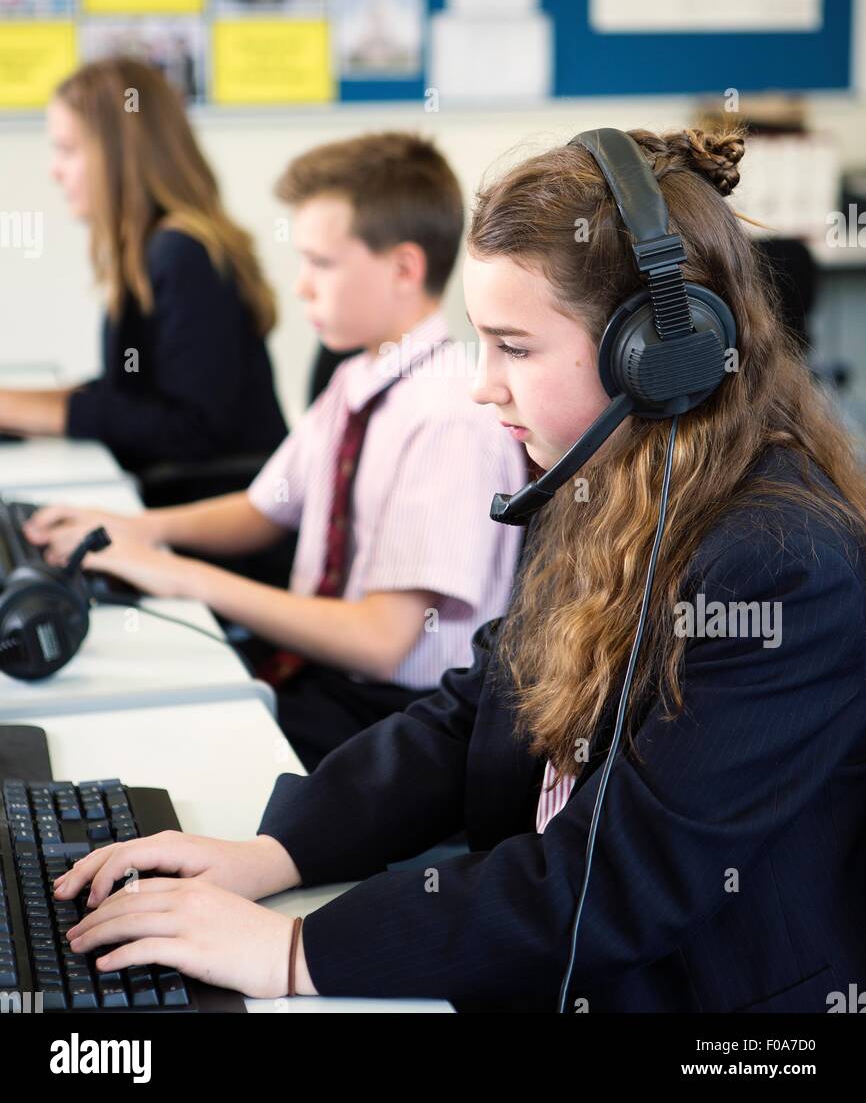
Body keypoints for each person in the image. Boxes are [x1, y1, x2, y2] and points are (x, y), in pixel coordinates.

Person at [50, 127, 866, 1012]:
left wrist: (295, 952)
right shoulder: (607, 481)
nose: (483, 385)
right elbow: (474, 712)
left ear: (659, 358)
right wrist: (273, 854)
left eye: (514, 347)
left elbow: (616, 882)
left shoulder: (783, 569)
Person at [30, 131, 527, 770]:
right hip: (323, 681)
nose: (301, 288)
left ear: (403, 268)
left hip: (397, 717)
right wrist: (133, 530)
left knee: (164, 759)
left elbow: (380, 642)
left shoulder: (449, 417)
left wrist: (180, 576)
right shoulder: (361, 378)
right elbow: (267, 509)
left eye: (322, 263)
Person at [0, 57, 287, 473]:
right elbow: (135, 391)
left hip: (206, 509)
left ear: (120, 153)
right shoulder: (155, 247)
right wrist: (20, 407)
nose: (54, 171)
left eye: (67, 150)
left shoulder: (183, 254)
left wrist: (31, 410)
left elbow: (191, 429)